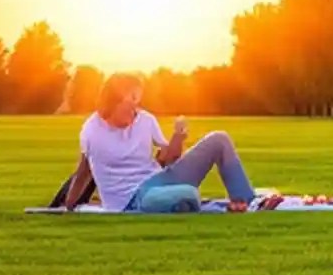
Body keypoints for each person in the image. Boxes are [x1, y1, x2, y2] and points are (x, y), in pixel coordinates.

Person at [53, 73, 256, 213]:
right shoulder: (92, 130)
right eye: (131, 99)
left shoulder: (145, 120)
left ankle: (247, 202)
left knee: (219, 139)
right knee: (188, 194)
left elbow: (168, 159)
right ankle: (218, 208)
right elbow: (84, 171)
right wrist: (69, 204)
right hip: (133, 200)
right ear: (114, 99)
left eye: (138, 100)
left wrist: (178, 136)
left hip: (159, 180)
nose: (136, 107)